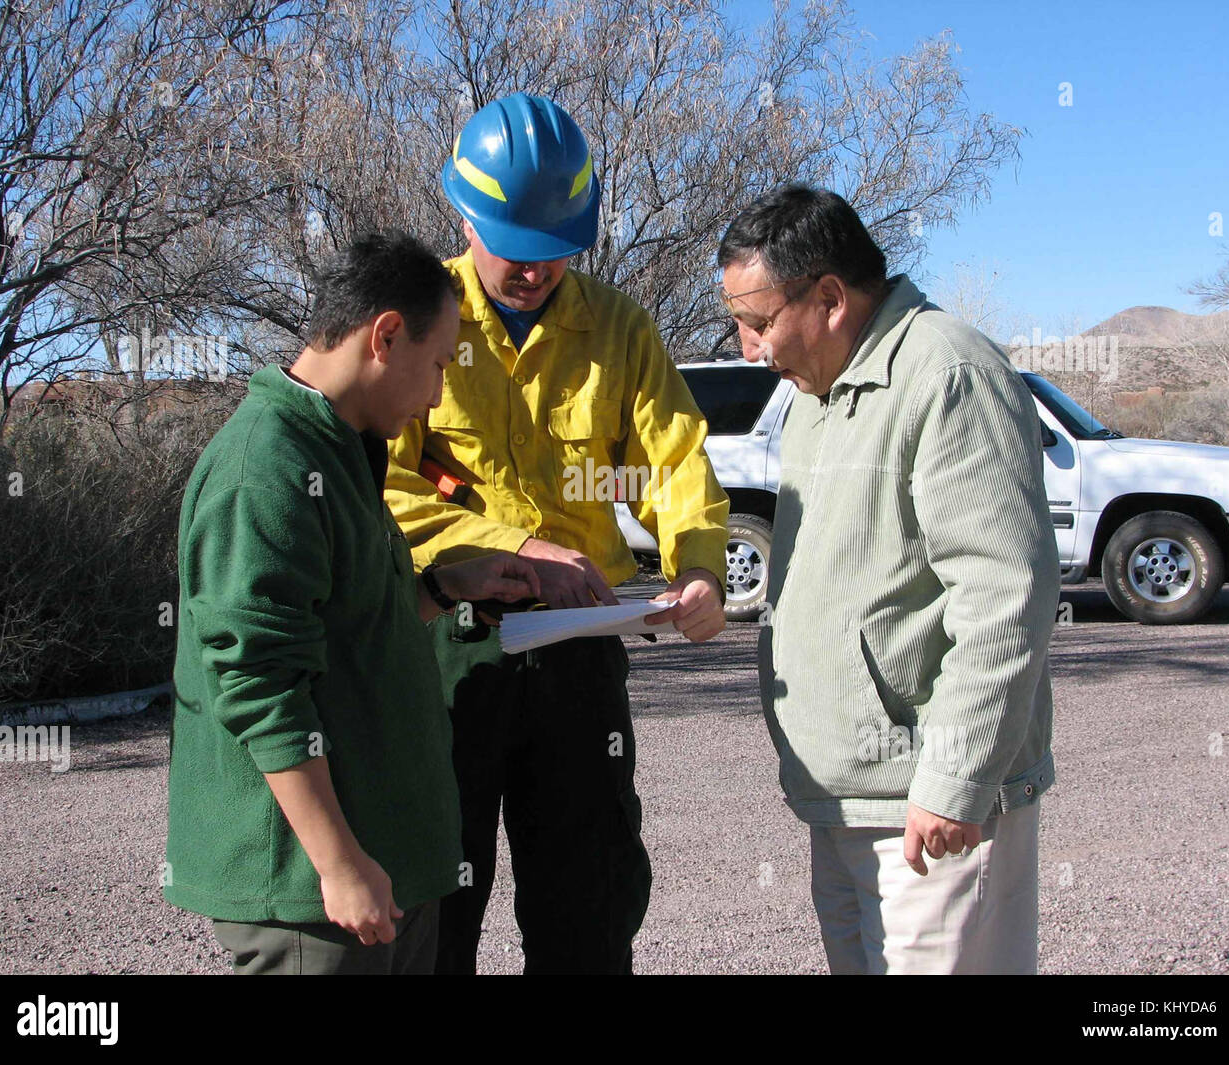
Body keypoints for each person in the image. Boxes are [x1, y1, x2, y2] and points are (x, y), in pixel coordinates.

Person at [384, 93, 729, 974]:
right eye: (516, 249)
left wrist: (698, 569)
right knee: (431, 903)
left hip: (580, 655)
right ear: (464, 217)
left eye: (557, 249)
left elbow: (674, 465)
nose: (537, 271)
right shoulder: (420, 324)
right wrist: (516, 548)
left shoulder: (619, 328)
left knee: (588, 905)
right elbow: (381, 488)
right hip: (448, 646)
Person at [164, 231, 540, 975]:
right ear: (386, 336)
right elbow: (258, 681)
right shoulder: (266, 465)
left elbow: (349, 624)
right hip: (316, 900)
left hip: (377, 874)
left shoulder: (339, 448)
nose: (437, 393)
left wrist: (445, 586)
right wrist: (337, 864)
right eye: (436, 365)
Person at [717, 184, 1059, 975]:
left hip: (928, 805)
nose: (747, 347)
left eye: (760, 322)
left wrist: (955, 780)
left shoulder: (948, 373)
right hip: (846, 797)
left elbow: (1005, 592)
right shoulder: (813, 394)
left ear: (831, 298)